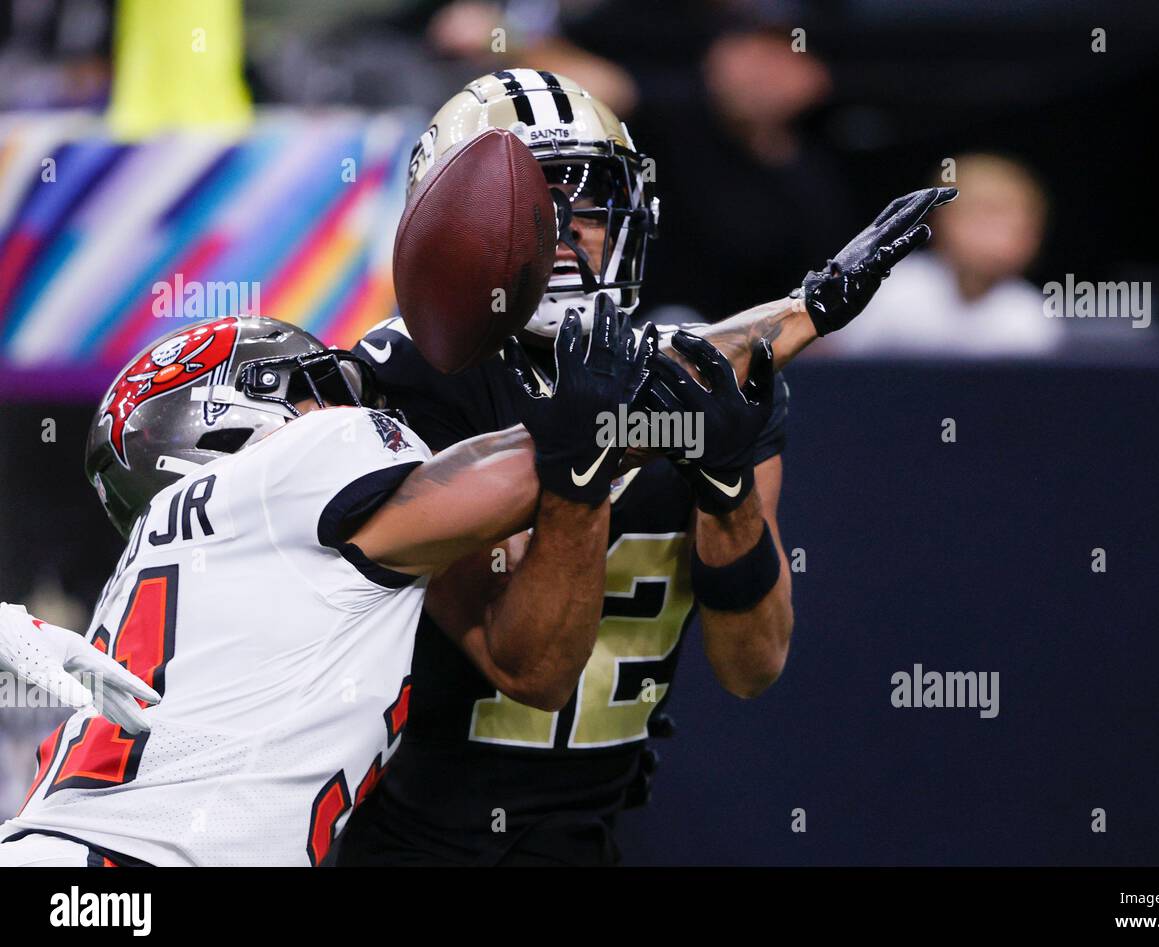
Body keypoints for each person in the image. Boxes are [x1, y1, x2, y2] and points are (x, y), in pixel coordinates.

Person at [335, 69, 953, 866]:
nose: (568, 226)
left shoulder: (702, 377)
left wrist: (728, 494)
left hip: (591, 838)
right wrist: (583, 477)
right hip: (407, 841)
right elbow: (530, 668)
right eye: (535, 197)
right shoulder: (408, 376)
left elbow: (753, 666)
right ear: (448, 222)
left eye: (591, 197)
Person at [0, 309, 656, 867]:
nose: (352, 410)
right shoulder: (299, 463)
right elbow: (533, 466)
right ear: (230, 418)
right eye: (318, 390)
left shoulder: (181, 555)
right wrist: (646, 412)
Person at [819, 153, 1062, 357]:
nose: (1000, 237)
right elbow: (827, 359)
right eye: (985, 219)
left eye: (1017, 226)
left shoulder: (1030, 316)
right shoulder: (889, 287)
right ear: (942, 220)